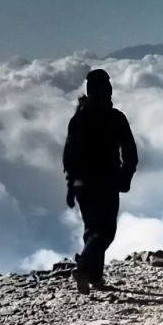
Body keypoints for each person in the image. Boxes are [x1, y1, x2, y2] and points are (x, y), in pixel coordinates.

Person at [62, 68, 138, 293]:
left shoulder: (79, 118)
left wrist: (70, 185)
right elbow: (130, 152)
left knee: (92, 228)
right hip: (107, 181)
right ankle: (85, 266)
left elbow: (69, 155)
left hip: (83, 185)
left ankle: (95, 276)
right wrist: (126, 175)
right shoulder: (115, 118)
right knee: (106, 231)